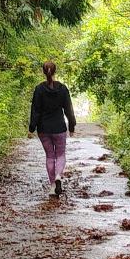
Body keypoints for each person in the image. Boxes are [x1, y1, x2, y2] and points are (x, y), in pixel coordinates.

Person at [28, 60, 76, 197]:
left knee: (50, 156)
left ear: (43, 72)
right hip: (59, 128)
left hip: (43, 128)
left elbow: (35, 110)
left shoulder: (39, 89)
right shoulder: (62, 89)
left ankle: (52, 187)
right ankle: (58, 176)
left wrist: (31, 128)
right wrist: (71, 126)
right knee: (60, 155)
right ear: (55, 71)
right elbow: (69, 109)